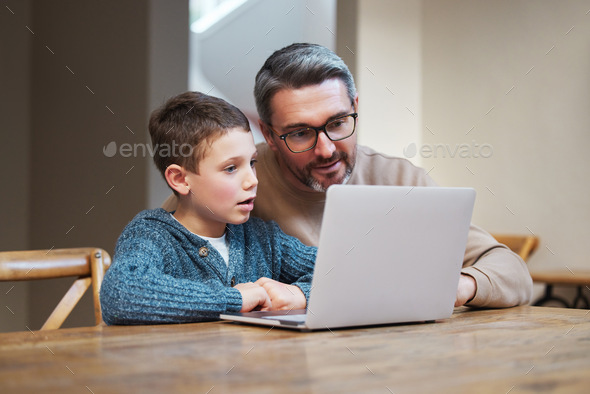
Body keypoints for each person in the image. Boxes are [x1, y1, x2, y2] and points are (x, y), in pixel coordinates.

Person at [250, 43, 533, 308]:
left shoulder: (401, 180)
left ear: (355, 108)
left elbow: (513, 272)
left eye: (337, 123)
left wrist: (459, 287)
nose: (326, 150)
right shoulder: (241, 181)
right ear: (269, 135)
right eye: (300, 133)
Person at [100, 91, 316, 325]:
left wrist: (301, 294)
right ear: (181, 180)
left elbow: (342, 270)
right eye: (231, 168)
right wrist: (234, 300)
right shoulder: (152, 235)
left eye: (252, 163)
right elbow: (121, 293)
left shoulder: (263, 239)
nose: (252, 180)